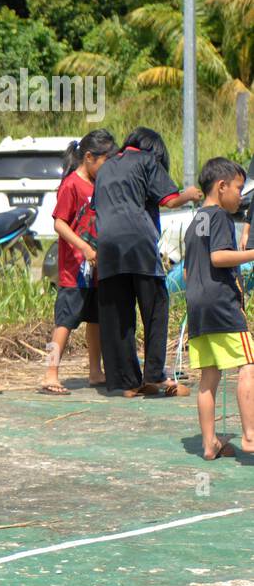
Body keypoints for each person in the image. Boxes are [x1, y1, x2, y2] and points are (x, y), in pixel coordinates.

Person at [93, 127, 202, 397]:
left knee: (118, 315)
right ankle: (154, 375)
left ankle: (125, 383)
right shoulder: (146, 160)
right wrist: (190, 194)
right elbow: (170, 200)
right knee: (155, 308)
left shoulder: (105, 168)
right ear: (154, 149)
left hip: (107, 246)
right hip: (138, 242)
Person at [184, 157, 254, 461]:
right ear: (221, 187)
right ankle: (251, 435)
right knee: (249, 365)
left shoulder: (195, 222)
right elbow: (219, 257)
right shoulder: (221, 217)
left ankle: (209, 443)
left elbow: (190, 270)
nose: (241, 195)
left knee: (208, 377)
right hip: (221, 303)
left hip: (197, 304)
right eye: (238, 188)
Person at [39, 129, 116, 395]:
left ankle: (95, 371)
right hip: (74, 271)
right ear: (89, 157)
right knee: (65, 322)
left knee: (95, 321)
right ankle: (50, 372)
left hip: (97, 269)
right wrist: (83, 247)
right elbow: (59, 223)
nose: (107, 168)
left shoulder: (99, 186)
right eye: (105, 161)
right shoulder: (71, 184)